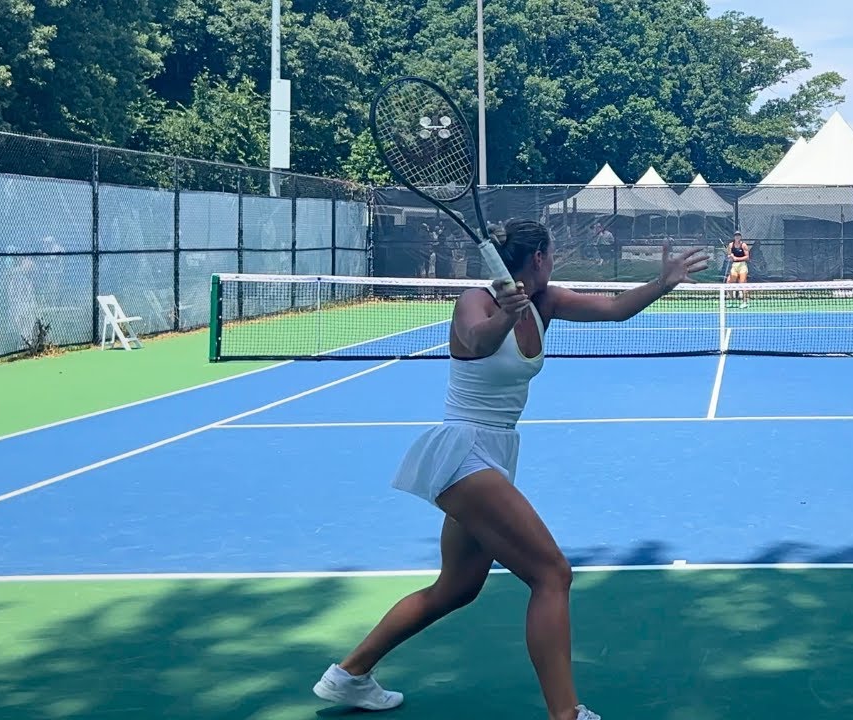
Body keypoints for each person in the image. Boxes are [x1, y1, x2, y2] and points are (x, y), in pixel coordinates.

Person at [312, 219, 710, 720]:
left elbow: (614, 310)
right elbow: (476, 342)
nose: (554, 262)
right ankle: (566, 714)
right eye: (551, 255)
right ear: (538, 257)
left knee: (456, 588)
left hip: (496, 453)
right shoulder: (475, 300)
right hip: (463, 451)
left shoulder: (548, 302)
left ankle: (349, 675)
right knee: (551, 574)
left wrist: (663, 282)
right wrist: (506, 313)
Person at [726, 231, 750, 307]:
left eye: (738, 235)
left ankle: (745, 302)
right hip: (734, 266)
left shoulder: (744, 245)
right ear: (734, 237)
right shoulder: (730, 245)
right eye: (736, 235)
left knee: (742, 283)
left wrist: (737, 258)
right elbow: (729, 256)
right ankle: (731, 301)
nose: (737, 237)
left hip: (742, 265)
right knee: (729, 282)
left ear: (740, 237)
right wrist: (730, 257)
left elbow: (747, 257)